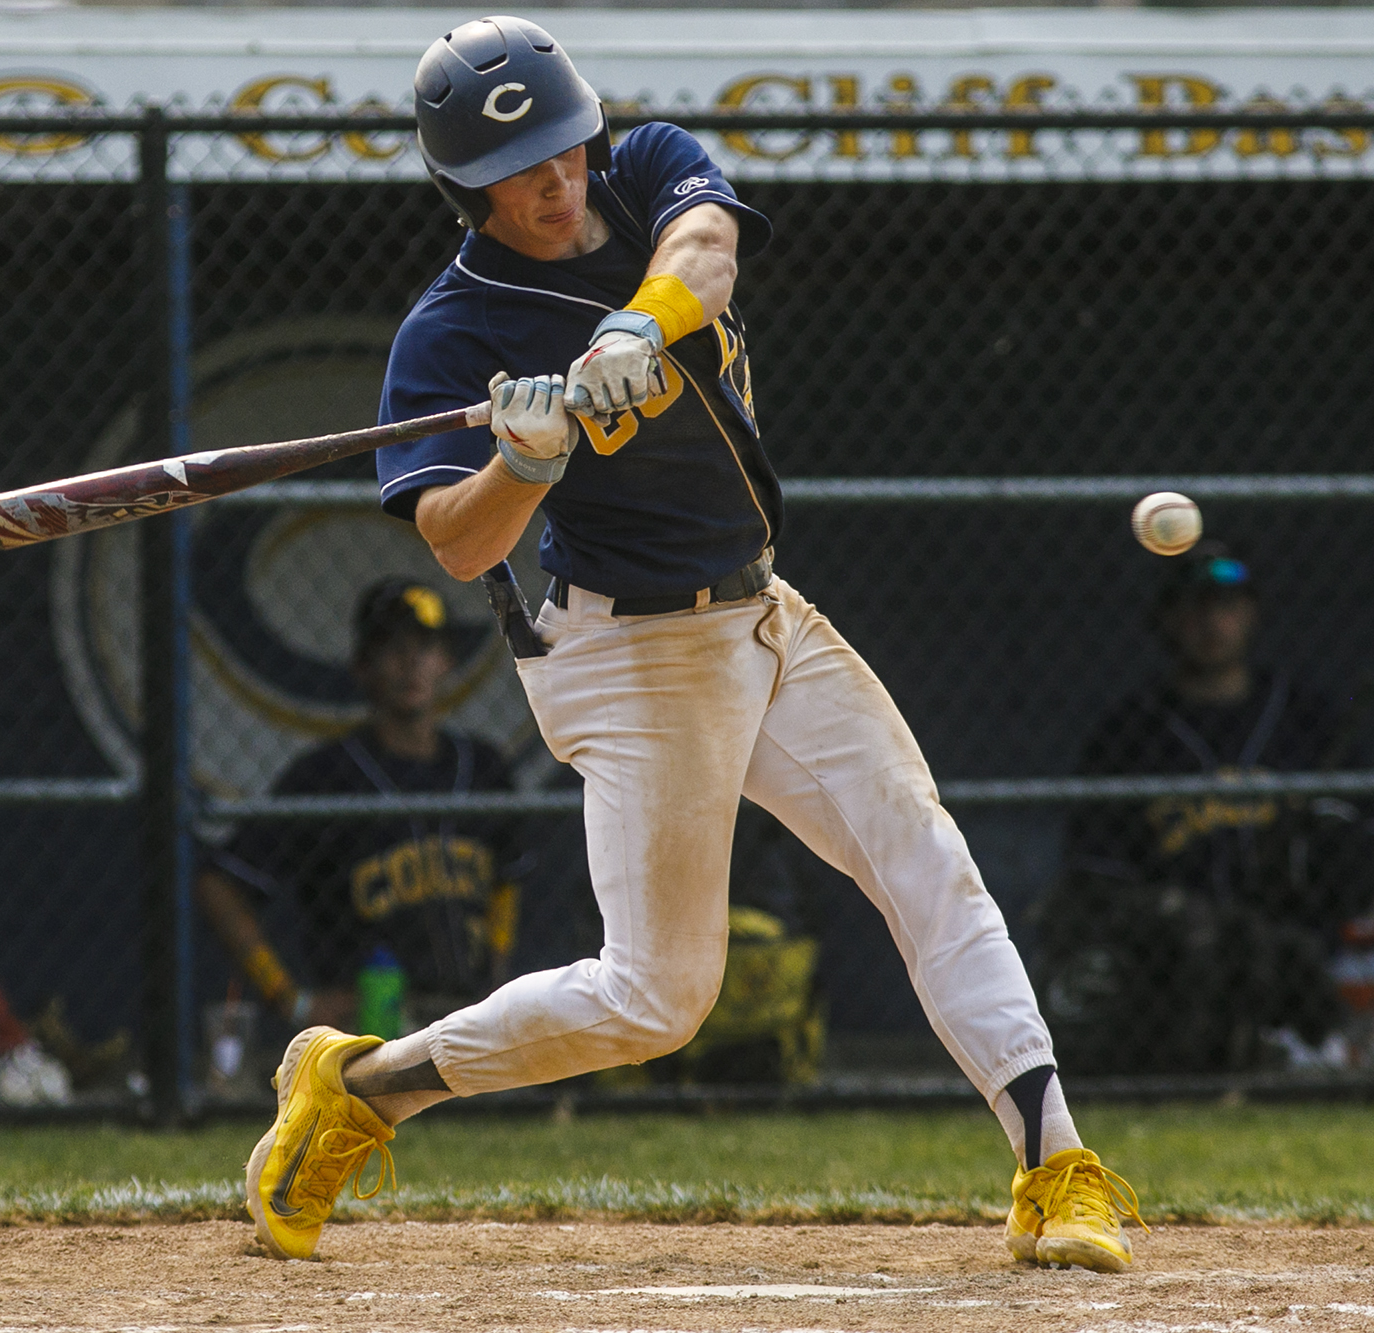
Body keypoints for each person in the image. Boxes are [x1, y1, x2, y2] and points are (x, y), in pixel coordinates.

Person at [242, 16, 1142, 1273]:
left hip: (762, 611)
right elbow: (451, 539)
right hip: (633, 655)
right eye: (519, 175)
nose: (556, 187)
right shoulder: (450, 332)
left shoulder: (644, 167)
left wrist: (631, 329)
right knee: (657, 999)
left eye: (564, 151)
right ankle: (365, 1090)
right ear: (461, 189)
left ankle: (1055, 1168)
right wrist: (523, 461)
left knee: (921, 855)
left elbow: (707, 249)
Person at [1042, 543, 1372, 1073]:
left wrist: (1307, 857)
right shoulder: (1131, 733)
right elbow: (1098, 874)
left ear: (1250, 614)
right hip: (1179, 955)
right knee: (1199, 939)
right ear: (1166, 620)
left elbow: (1350, 849)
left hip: (1293, 938)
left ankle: (1305, 1045)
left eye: (1226, 606)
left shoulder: (1305, 719)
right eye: (1194, 608)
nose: (1212, 623)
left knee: (1283, 949)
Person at [198, 579, 523, 1038]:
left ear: (447, 660)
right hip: (373, 1020)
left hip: (467, 1011)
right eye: (392, 647)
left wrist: (498, 976)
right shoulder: (327, 776)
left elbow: (508, 877)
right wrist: (290, 999)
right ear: (362, 667)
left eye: (425, 647)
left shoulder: (486, 769)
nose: (411, 662)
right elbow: (220, 883)